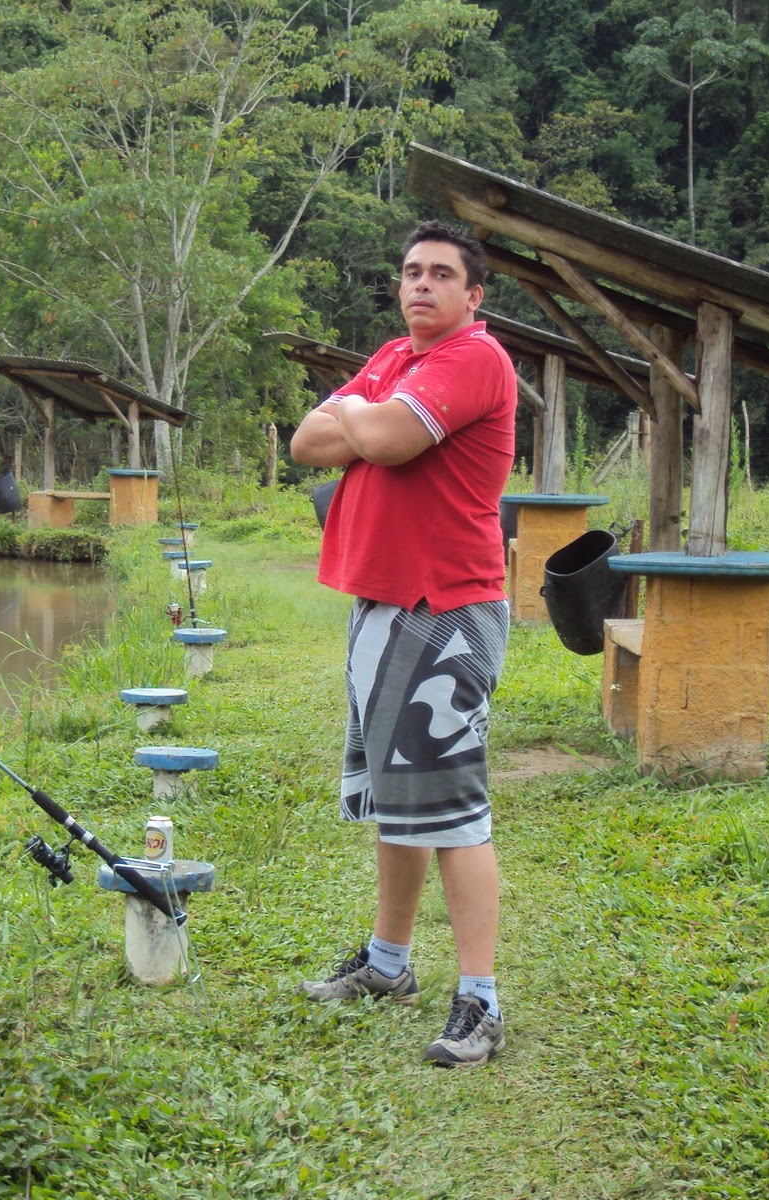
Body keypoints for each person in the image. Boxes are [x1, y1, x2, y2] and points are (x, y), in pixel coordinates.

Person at [289, 220, 517, 1067]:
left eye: (441, 274)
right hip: (381, 603)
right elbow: (303, 445)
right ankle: (388, 963)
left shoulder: (473, 359)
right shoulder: (394, 358)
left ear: (473, 294)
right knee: (397, 801)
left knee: (453, 811)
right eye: (411, 272)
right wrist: (364, 415)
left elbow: (373, 438)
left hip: (443, 610)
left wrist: (352, 411)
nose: (420, 285)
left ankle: (481, 1001)